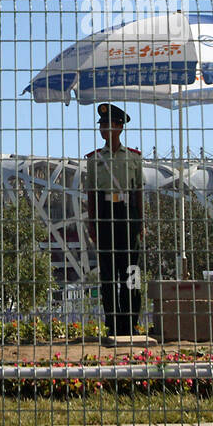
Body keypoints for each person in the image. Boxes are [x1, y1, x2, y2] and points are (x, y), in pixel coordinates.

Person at [84, 103, 144, 340]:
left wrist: (140, 222)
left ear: (119, 127)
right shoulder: (94, 159)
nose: (103, 129)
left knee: (131, 271)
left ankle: (131, 322)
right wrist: (92, 224)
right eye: (101, 125)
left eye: (108, 124)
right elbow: (90, 193)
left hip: (127, 214)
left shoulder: (133, 157)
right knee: (108, 273)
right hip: (105, 214)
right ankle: (112, 323)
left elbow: (138, 190)